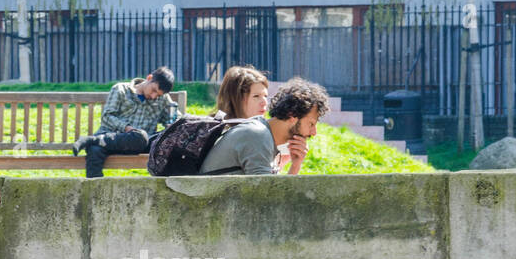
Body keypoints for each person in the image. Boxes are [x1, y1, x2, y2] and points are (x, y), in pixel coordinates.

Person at [198, 77, 329, 176]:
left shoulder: (263, 134)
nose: (314, 132)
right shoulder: (257, 136)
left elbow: (272, 200)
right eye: (311, 124)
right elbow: (269, 203)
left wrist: (295, 165)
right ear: (292, 115)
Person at [72, 67, 179, 178]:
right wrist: (127, 128)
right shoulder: (120, 89)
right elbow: (107, 116)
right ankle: (94, 193)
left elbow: (176, 119)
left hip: (140, 144)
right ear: (149, 78)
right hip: (112, 140)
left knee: (144, 137)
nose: (153, 96)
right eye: (154, 90)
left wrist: (172, 124)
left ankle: (92, 140)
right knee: (94, 150)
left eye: (158, 95)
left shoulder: (163, 99)